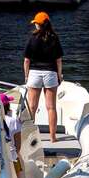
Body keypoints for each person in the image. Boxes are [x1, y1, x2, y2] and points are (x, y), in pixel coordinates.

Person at [23, 13, 65, 143]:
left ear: (39, 24)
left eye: (36, 22)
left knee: (32, 107)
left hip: (34, 73)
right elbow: (58, 60)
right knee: (51, 107)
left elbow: (26, 60)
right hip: (50, 73)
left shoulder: (32, 38)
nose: (34, 24)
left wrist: (26, 76)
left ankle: (30, 138)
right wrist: (59, 75)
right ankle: (53, 138)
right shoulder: (54, 38)